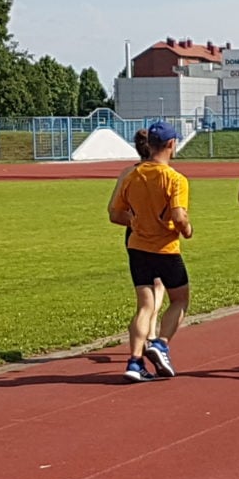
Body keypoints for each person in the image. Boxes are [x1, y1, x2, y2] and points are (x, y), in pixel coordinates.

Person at [107, 120, 192, 382]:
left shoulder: (131, 175)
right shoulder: (175, 179)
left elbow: (114, 213)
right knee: (180, 299)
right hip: (165, 248)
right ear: (170, 144)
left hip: (137, 247)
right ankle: (161, 343)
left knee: (145, 306)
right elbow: (178, 215)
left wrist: (135, 221)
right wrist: (186, 228)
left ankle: (134, 361)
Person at [107, 130, 164, 346]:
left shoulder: (127, 173)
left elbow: (113, 211)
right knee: (158, 285)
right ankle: (149, 330)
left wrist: (133, 222)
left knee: (145, 289)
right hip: (156, 234)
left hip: (133, 235)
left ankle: (147, 328)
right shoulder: (161, 172)